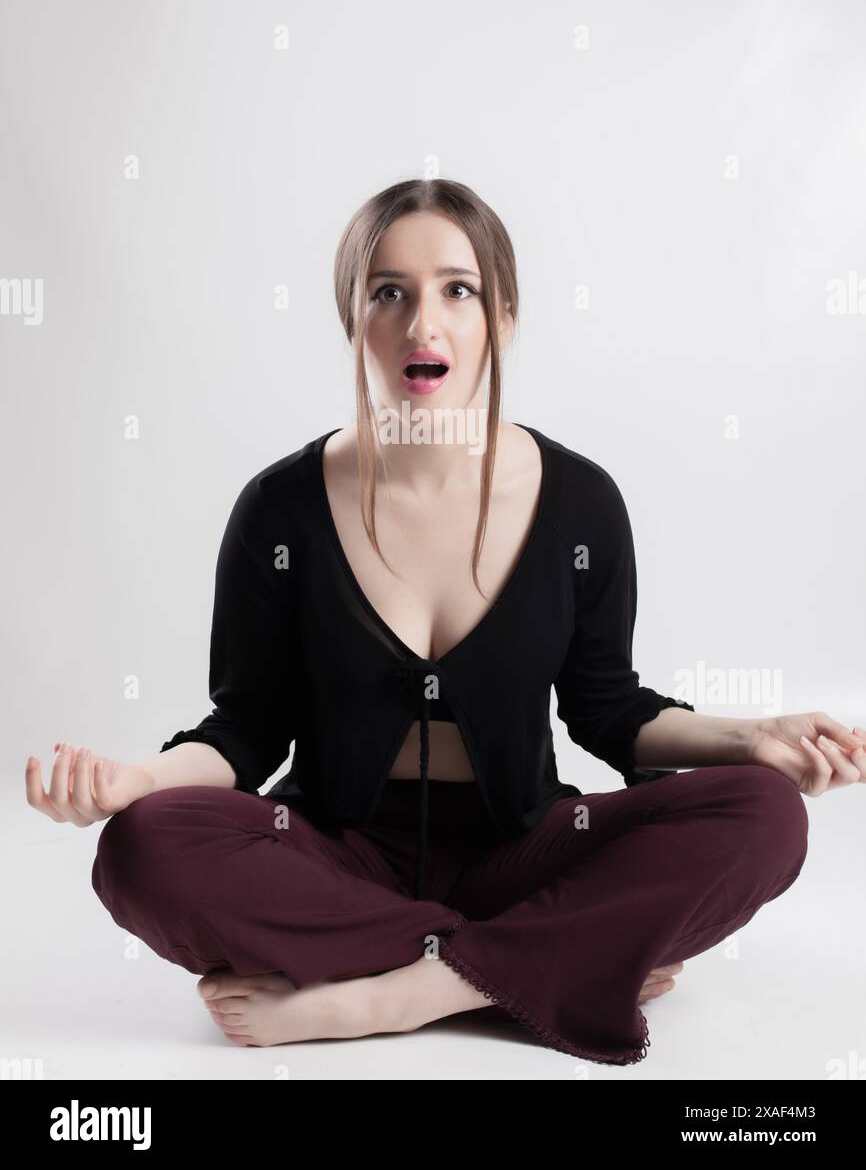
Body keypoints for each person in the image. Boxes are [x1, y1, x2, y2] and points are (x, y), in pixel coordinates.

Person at [26, 180, 865, 1063]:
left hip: (528, 853)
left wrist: (756, 735)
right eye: (388, 291)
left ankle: (404, 995)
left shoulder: (580, 501)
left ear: (502, 315)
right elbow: (244, 731)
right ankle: (557, 959)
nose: (422, 320)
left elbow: (609, 710)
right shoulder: (279, 510)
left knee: (766, 816)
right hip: (334, 859)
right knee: (141, 851)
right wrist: (131, 783)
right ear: (353, 319)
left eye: (457, 289)